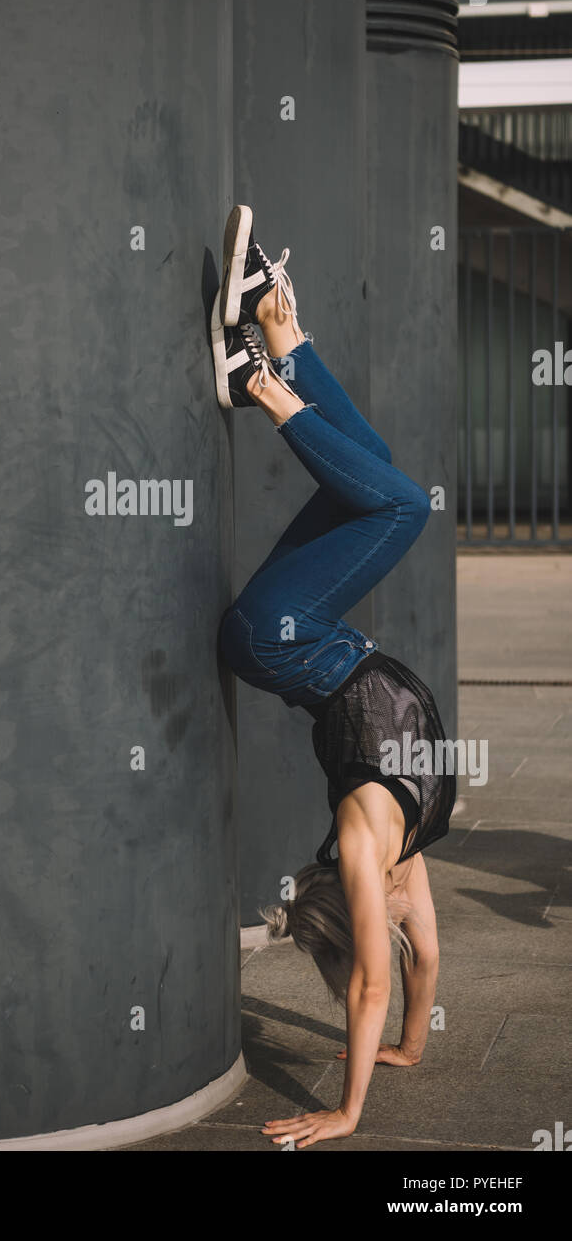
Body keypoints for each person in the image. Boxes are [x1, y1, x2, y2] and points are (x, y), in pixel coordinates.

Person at [211, 205, 457, 1149]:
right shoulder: (410, 846)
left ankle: (264, 385)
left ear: (351, 895)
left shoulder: (366, 843)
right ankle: (282, 342)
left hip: (277, 638)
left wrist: (348, 1111)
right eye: (396, 912)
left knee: (397, 506)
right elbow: (418, 966)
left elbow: (371, 975)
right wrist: (410, 1050)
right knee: (381, 475)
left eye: (378, 910)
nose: (400, 910)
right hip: (308, 632)